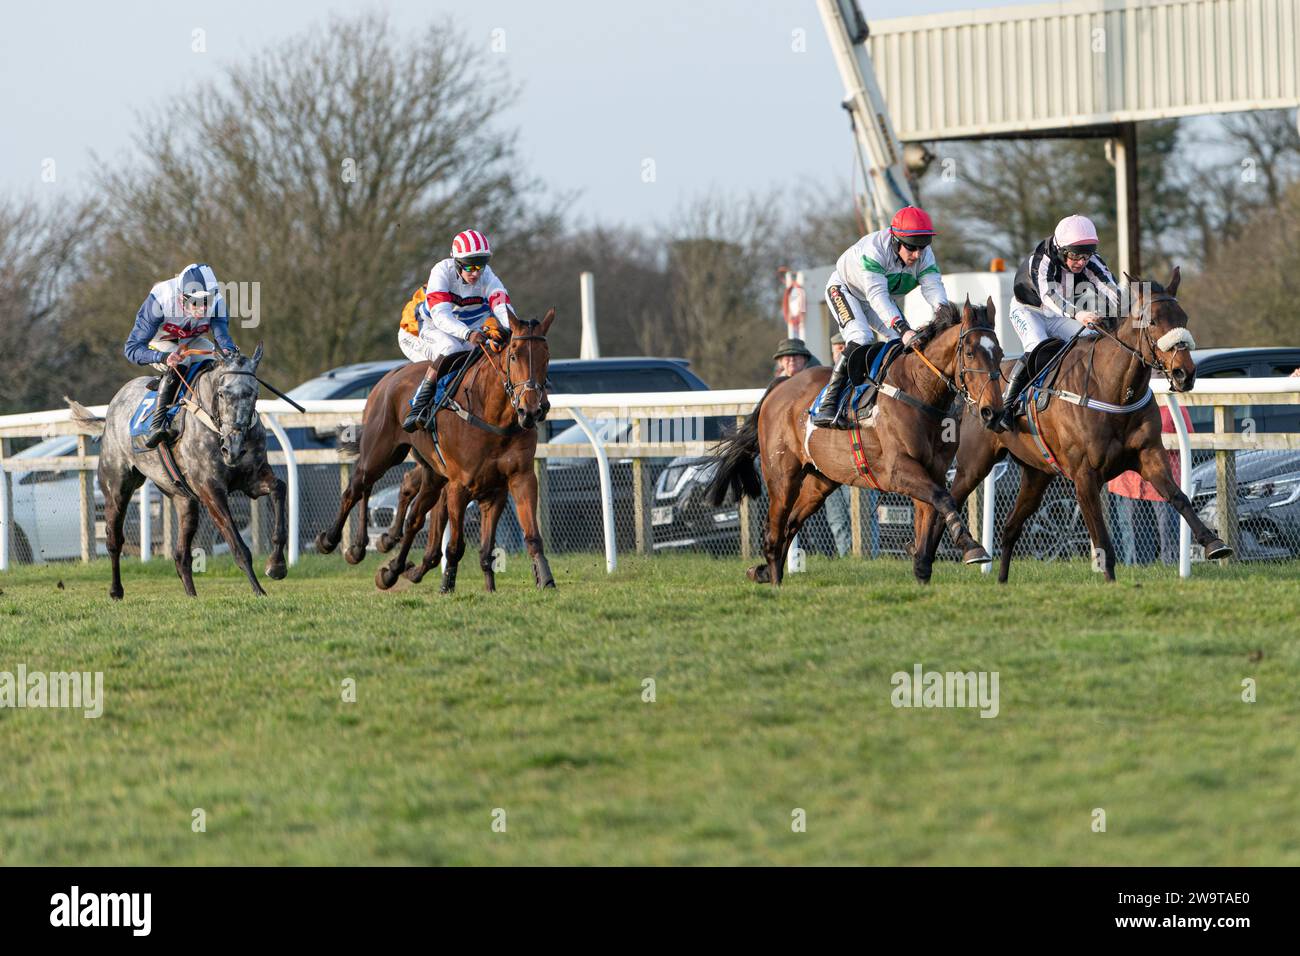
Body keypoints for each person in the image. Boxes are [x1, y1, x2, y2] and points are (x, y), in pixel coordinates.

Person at [812, 206, 950, 428]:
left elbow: (933, 287)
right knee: (861, 337)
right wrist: (903, 328)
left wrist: (944, 314)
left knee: (900, 345)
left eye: (923, 247)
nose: (917, 255)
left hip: (876, 298)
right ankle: (828, 404)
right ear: (895, 240)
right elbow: (878, 297)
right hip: (845, 290)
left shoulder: (924, 255)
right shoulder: (874, 250)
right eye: (911, 247)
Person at [992, 214, 1122, 431]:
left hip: (1059, 315)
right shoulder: (1041, 261)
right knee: (1038, 347)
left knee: (1090, 339)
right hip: (1029, 310)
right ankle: (1007, 406)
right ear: (1061, 250)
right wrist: (1078, 314)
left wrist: (1125, 310)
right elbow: (1049, 297)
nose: (1081, 262)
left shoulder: (1090, 260)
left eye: (1086, 256)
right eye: (1075, 256)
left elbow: (1109, 287)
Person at [401, 229, 514, 432]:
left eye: (480, 265)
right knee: (451, 348)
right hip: (426, 327)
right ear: (456, 263)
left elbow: (502, 306)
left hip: (461, 328)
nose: (476, 273)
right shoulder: (441, 271)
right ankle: (419, 405)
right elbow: (441, 316)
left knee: (486, 352)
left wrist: (512, 329)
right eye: (470, 266)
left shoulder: (488, 276)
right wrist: (468, 334)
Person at [124, 263, 238, 449]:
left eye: (207, 301)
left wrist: (229, 352)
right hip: (160, 342)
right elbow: (132, 348)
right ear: (181, 297)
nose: (203, 309)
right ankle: (158, 423)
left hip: (190, 341)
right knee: (183, 359)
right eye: (196, 302)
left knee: (218, 363)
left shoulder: (217, 303)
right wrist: (162, 357)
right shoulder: (159, 300)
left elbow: (223, 340)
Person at [1108, 402, 1193, 565]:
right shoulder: (1124, 405)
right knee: (1134, 531)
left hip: (1163, 480)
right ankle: (1138, 569)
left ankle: (1173, 566)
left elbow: (1189, 440)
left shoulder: (1175, 407)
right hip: (1130, 480)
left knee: (1169, 528)